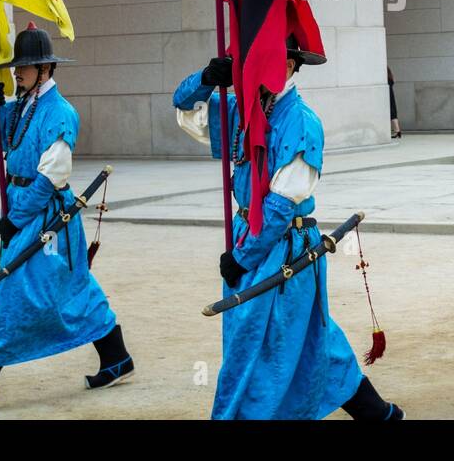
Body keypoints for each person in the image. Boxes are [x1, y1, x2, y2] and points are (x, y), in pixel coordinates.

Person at [171, 38, 402, 420]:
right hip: (252, 239)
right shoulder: (242, 109)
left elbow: (280, 206)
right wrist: (207, 79)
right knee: (303, 337)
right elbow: (184, 109)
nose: (253, 68)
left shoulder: (302, 122)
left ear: (290, 65)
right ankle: (378, 414)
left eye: (263, 60)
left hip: (282, 246)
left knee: (267, 342)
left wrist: (242, 257)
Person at [0, 23, 131, 412]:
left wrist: (16, 218)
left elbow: (51, 176)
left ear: (45, 68)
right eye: (16, 67)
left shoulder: (60, 112)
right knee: (74, 287)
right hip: (23, 206)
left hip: (44, 216)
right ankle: (116, 357)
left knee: (14, 290)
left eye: (24, 67)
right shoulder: (19, 108)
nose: (17, 73)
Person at [387, 66, 401, 139]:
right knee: (393, 114)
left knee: (392, 114)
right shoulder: (390, 78)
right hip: (391, 96)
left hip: (388, 96)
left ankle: (397, 131)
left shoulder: (386, 79)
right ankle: (397, 131)